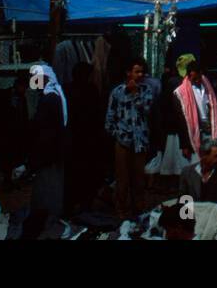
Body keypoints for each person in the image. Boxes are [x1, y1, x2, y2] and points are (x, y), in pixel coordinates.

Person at [23, 63, 68, 240]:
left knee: (47, 187)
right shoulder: (55, 94)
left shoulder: (49, 98)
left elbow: (45, 130)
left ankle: (47, 218)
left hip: (48, 151)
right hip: (53, 150)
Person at [106, 59, 154, 220]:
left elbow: (146, 111)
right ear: (129, 73)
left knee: (139, 179)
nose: (140, 75)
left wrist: (135, 94)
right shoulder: (117, 92)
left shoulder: (147, 90)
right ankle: (121, 211)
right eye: (137, 71)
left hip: (140, 141)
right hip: (123, 141)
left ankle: (138, 210)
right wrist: (117, 134)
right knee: (122, 180)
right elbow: (110, 117)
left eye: (142, 72)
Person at [66, 60, 106, 214]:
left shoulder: (67, 89)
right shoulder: (91, 90)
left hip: (74, 140)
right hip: (88, 140)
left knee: (73, 175)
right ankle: (84, 204)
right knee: (87, 174)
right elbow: (97, 115)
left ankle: (70, 205)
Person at [0, 71, 30, 189]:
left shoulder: (20, 98)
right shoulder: (4, 96)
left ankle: (8, 179)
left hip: (14, 134)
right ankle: (7, 180)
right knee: (7, 158)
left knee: (11, 158)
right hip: (6, 134)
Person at [174, 59, 217, 164]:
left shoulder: (208, 86)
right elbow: (181, 123)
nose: (197, 81)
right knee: (197, 166)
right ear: (188, 76)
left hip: (209, 131)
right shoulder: (180, 93)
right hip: (194, 134)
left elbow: (213, 109)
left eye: (198, 78)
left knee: (211, 162)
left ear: (201, 74)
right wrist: (185, 146)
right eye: (194, 79)